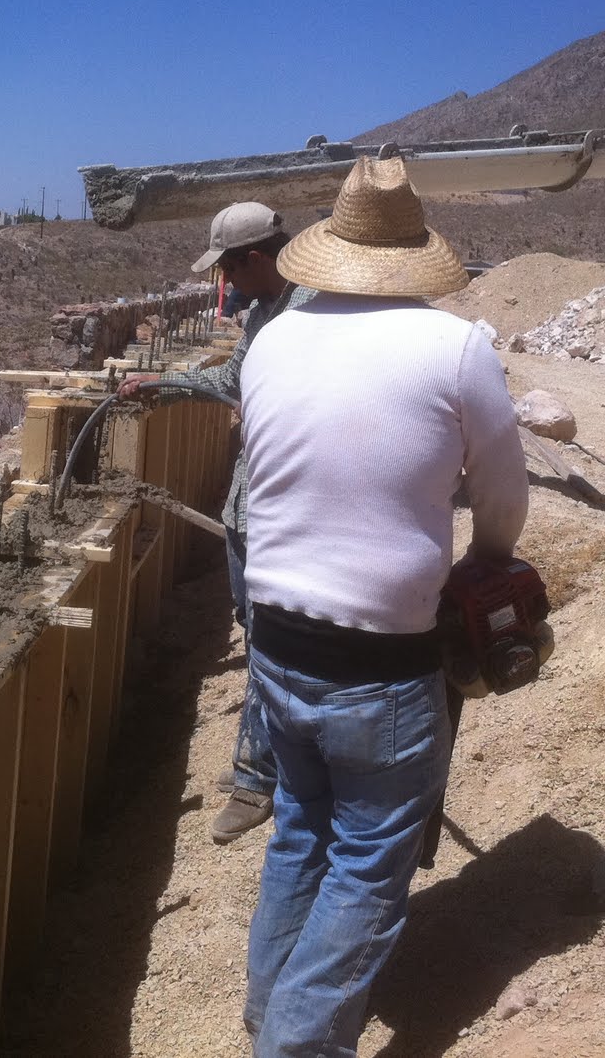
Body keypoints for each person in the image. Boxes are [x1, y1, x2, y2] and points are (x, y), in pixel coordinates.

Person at [238, 156, 528, 1056]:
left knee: (302, 827)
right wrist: (484, 565)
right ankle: (294, 1046)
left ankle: (266, 1013)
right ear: (414, 252)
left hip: (273, 648)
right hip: (383, 672)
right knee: (367, 865)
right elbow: (504, 500)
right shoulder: (455, 348)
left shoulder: (273, 339)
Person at [118, 201, 315, 843]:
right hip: (244, 505)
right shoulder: (261, 312)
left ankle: (257, 779)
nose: (224, 284)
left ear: (255, 258)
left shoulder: (312, 315)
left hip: (284, 511)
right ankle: (275, 752)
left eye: (228, 270)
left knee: (271, 641)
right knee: (253, 630)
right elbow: (231, 380)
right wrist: (160, 384)